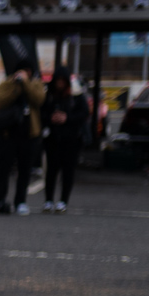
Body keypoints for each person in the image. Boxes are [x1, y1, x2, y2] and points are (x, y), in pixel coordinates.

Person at [0, 62, 46, 214]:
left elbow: (39, 99)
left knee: (25, 169)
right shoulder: (7, 84)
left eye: (27, 71)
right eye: (22, 71)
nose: (24, 74)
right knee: (3, 169)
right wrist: (16, 87)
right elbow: (2, 101)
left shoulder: (35, 84)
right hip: (8, 134)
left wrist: (26, 84)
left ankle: (20, 201)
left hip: (29, 134)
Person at [40, 67, 89, 213]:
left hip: (71, 139)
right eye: (58, 80)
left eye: (62, 81)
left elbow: (84, 113)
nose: (60, 83)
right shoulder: (49, 95)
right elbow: (42, 113)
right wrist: (51, 118)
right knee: (51, 171)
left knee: (68, 171)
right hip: (53, 138)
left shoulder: (76, 95)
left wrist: (67, 118)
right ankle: (48, 200)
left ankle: (63, 201)